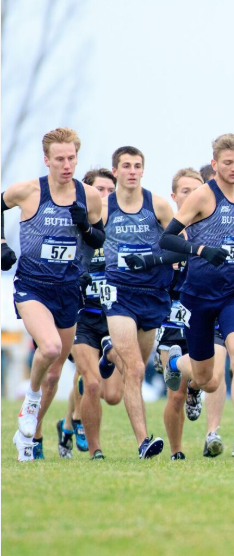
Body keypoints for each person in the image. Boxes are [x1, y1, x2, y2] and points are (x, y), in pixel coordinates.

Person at [161, 134, 234, 460]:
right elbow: (167, 240)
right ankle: (174, 362)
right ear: (214, 164)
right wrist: (200, 250)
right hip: (198, 297)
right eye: (228, 162)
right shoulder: (201, 197)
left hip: (233, 294)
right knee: (206, 379)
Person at [3, 128, 104, 462]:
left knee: (54, 374)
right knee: (49, 347)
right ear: (46, 160)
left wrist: (86, 228)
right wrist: (2, 244)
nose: (66, 165)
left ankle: (25, 436)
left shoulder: (89, 196)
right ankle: (29, 404)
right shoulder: (28, 190)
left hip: (68, 288)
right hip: (32, 286)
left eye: (71, 158)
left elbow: (98, 240)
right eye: (59, 159)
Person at [99, 146, 180, 459]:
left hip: (153, 297)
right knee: (133, 370)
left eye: (137, 166)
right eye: (126, 166)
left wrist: (147, 260)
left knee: (131, 373)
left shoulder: (158, 206)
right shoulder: (104, 208)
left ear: (143, 171)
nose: (132, 171)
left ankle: (108, 354)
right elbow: (86, 241)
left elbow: (179, 249)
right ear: (115, 171)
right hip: (119, 295)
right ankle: (144, 442)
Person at [58, 168, 123, 460]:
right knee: (89, 378)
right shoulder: (77, 225)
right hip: (81, 315)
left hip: (115, 316)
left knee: (113, 396)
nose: (106, 196)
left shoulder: (124, 226)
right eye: (100, 190)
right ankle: (81, 423)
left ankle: (68, 422)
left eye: (111, 190)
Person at [156, 168, 208, 460]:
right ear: (175, 197)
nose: (191, 196)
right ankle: (177, 452)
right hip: (171, 320)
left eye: (196, 190)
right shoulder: (165, 233)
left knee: (205, 376)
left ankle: (196, 390)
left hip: (203, 316)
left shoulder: (212, 232)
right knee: (174, 391)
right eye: (185, 191)